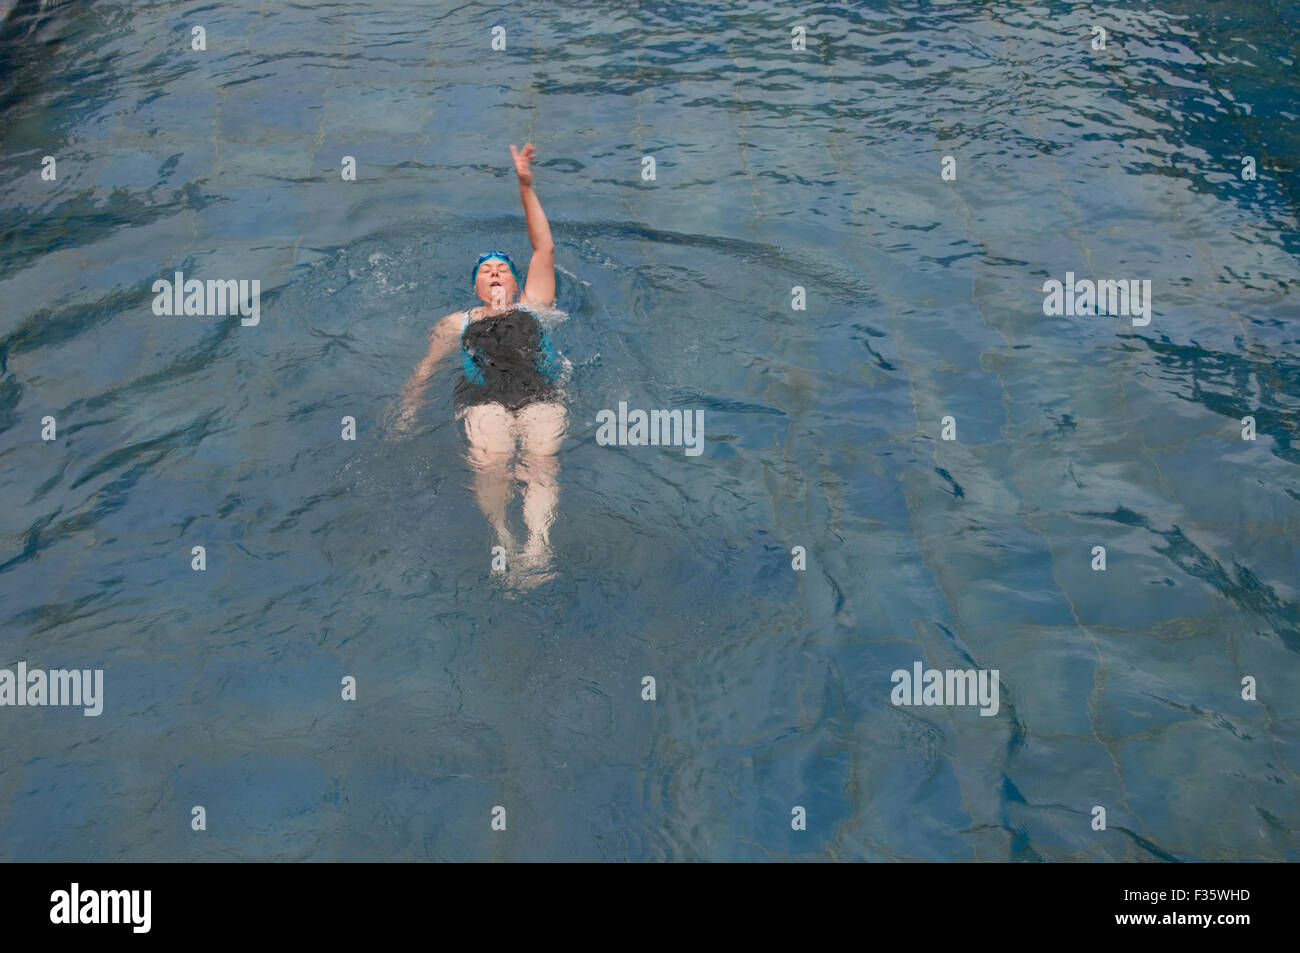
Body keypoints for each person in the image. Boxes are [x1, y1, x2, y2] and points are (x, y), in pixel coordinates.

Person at [395, 143, 567, 584]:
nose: (494, 272)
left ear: (516, 280)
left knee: (540, 461)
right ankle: (503, 538)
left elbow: (543, 246)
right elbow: (425, 368)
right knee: (492, 461)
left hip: (539, 393)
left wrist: (525, 185)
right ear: (475, 285)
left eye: (503, 268)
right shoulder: (458, 321)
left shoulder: (535, 305)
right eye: (485, 269)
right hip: (483, 396)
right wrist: (408, 409)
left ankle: (538, 544)